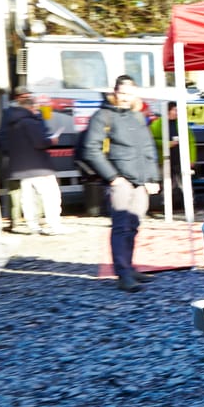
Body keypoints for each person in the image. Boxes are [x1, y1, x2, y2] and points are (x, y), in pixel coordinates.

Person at [79, 75, 160, 293]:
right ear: (115, 92)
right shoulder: (103, 116)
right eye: (122, 93)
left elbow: (148, 149)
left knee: (133, 226)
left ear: (135, 94)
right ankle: (123, 274)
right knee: (121, 227)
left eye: (130, 93)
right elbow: (90, 149)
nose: (125, 97)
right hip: (120, 181)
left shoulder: (137, 116)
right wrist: (113, 177)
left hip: (141, 182)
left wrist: (152, 178)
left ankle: (129, 267)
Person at [2, 87, 68, 235]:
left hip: (21, 167)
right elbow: (40, 142)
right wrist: (52, 140)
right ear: (31, 107)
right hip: (38, 166)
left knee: (28, 197)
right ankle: (53, 225)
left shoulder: (12, 120)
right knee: (51, 195)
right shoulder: (30, 122)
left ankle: (32, 226)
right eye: (36, 108)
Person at [148, 101, 196, 191]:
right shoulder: (157, 124)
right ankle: (167, 202)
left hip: (180, 159)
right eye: (175, 110)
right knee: (167, 184)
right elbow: (152, 141)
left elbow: (191, 142)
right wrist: (167, 143)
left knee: (185, 183)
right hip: (165, 160)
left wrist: (192, 159)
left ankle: (189, 201)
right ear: (168, 111)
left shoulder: (182, 123)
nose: (177, 112)